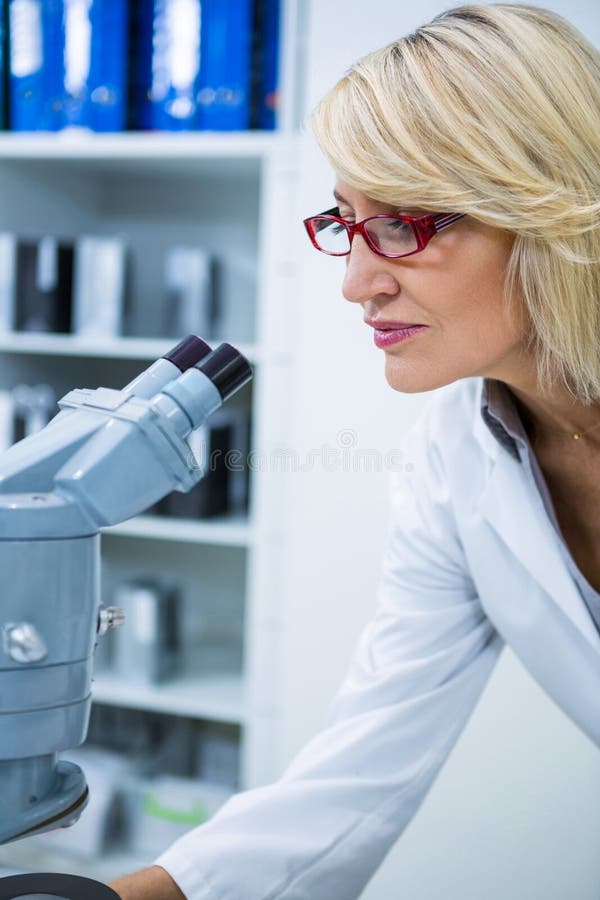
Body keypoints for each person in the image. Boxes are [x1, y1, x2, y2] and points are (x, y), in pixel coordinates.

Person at [109, 5, 600, 898]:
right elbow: (355, 776)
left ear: (548, 209)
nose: (355, 283)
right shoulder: (455, 463)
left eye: (404, 224)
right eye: (346, 223)